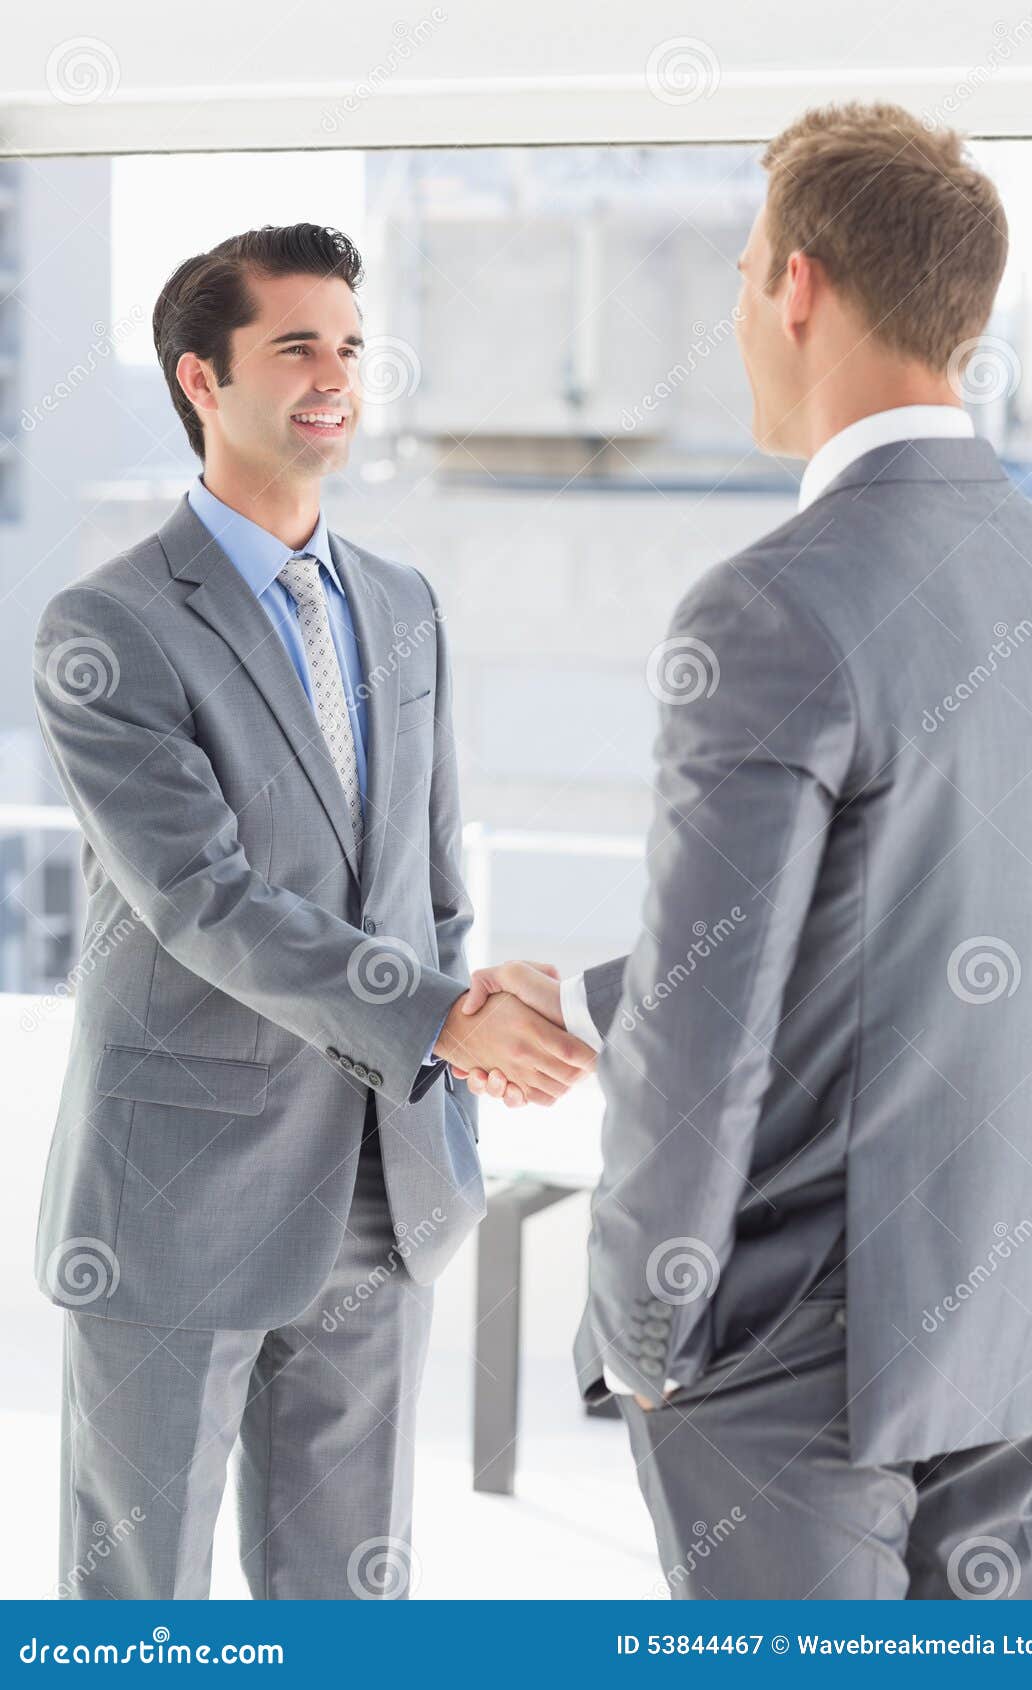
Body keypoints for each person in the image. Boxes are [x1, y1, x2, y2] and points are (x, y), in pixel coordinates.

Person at [457, 103, 1032, 1599]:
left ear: (797, 286)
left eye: (741, 275)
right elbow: (931, 905)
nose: (739, 314)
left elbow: (714, 1038)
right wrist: (602, 1000)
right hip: (1026, 1321)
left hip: (804, 1353)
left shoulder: (770, 607)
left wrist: (646, 1335)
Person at [33, 223, 593, 1600]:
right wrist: (442, 1016)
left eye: (348, 346)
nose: (334, 376)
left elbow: (432, 885)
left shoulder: (402, 604)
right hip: (179, 1192)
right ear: (201, 381)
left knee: (351, 1598)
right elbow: (199, 897)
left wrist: (454, 1038)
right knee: (137, 1601)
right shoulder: (108, 626)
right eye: (295, 348)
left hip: (382, 1180)